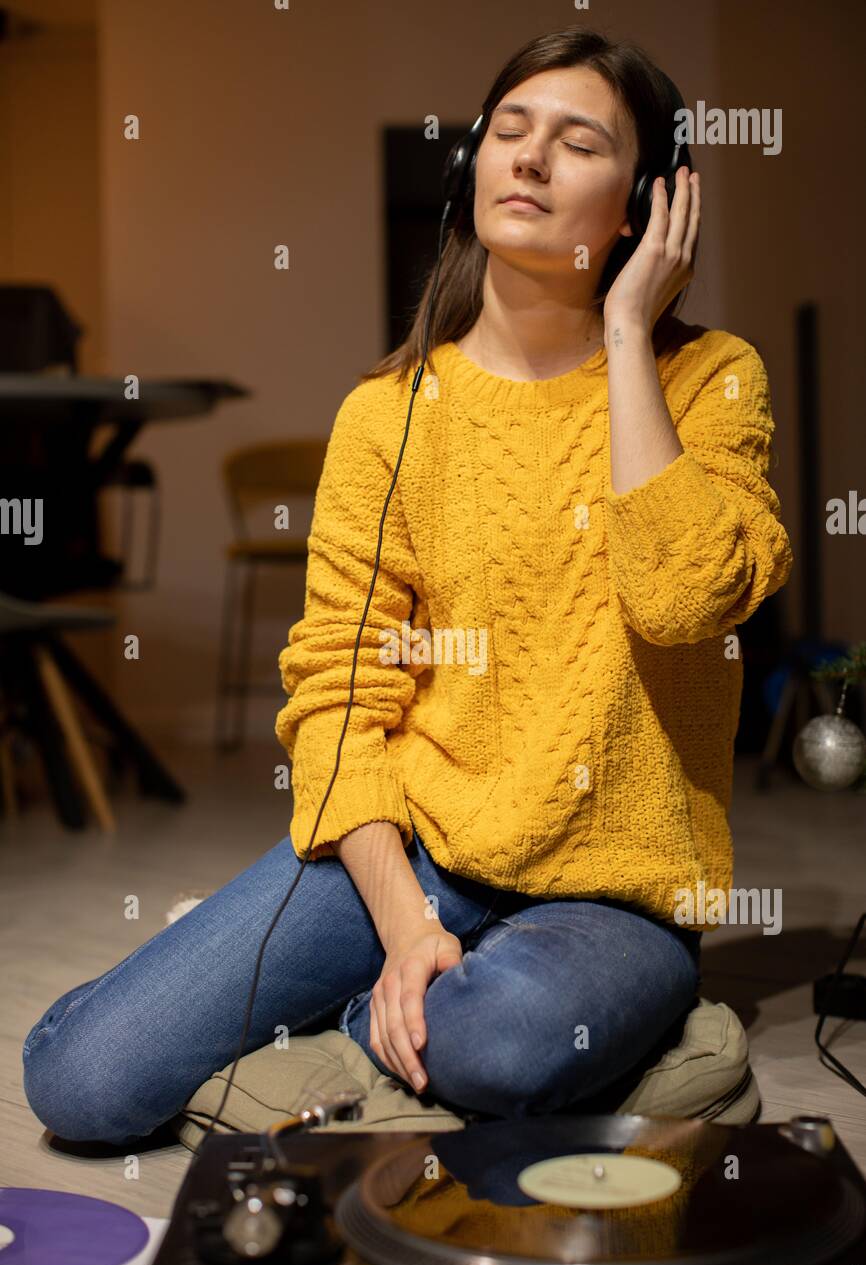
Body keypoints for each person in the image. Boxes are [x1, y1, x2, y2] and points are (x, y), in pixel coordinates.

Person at [22, 27, 792, 1146]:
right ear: (470, 167)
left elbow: (683, 598)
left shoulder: (710, 378)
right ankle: (418, 1005)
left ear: (638, 209)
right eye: (508, 132)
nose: (525, 159)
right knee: (82, 1082)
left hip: (610, 891)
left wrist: (627, 329)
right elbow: (336, 693)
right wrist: (400, 919)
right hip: (415, 847)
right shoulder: (384, 415)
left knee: (495, 1046)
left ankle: (513, 1022)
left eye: (576, 143)